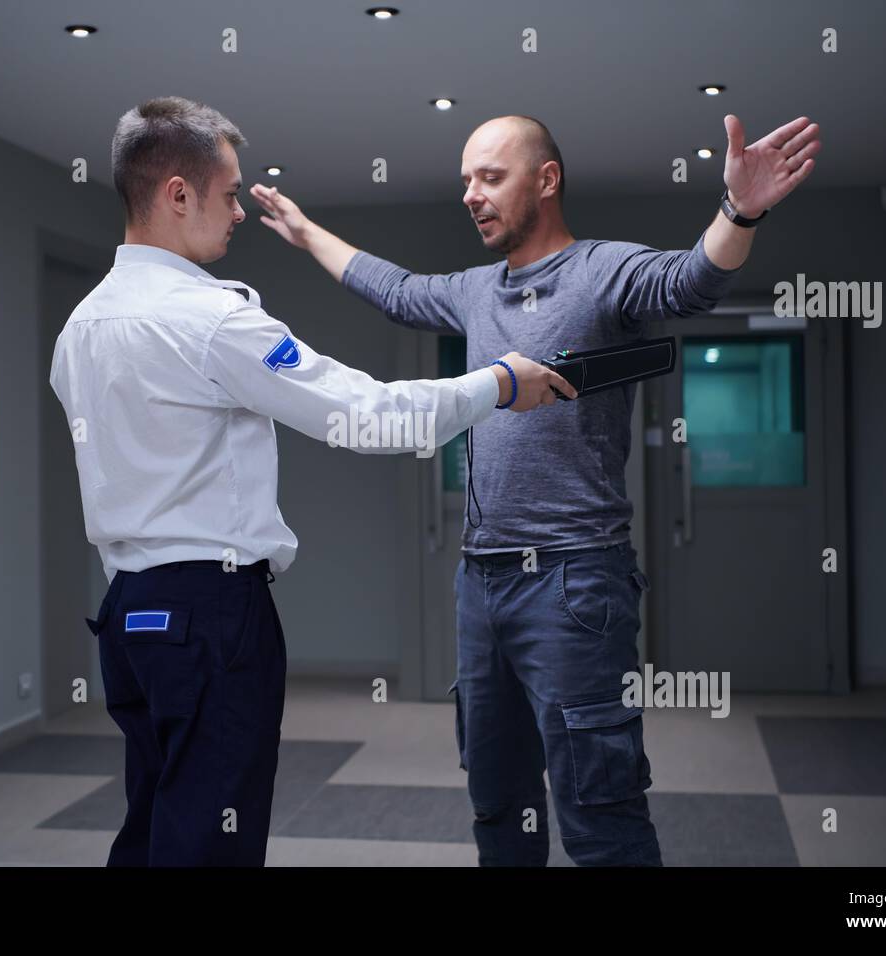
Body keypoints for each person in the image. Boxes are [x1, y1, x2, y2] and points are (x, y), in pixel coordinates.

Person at [250, 112, 819, 865]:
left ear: (546, 180)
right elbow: (395, 290)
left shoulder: (603, 271)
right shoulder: (475, 290)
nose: (471, 195)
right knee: (498, 806)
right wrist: (305, 230)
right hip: (483, 582)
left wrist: (740, 209)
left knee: (600, 815)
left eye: (490, 177)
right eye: (465, 182)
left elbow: (694, 282)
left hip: (575, 580)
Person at [47, 96, 575, 867]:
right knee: (209, 844)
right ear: (178, 194)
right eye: (229, 196)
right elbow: (368, 415)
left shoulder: (80, 327)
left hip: (129, 617)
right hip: (210, 616)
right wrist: (496, 383)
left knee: (155, 825)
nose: (236, 214)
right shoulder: (211, 320)